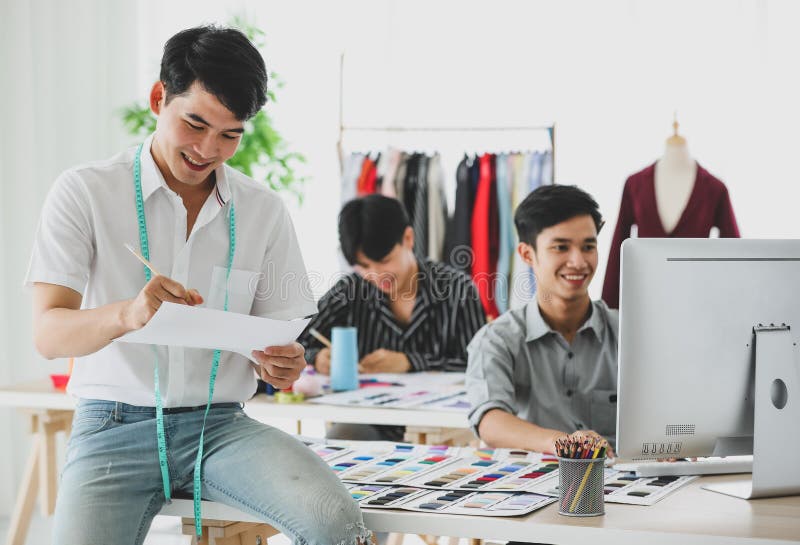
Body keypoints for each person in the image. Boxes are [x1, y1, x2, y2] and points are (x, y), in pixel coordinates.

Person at [27, 26, 370, 545]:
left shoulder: (264, 210)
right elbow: (48, 335)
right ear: (158, 98)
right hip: (112, 427)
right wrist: (127, 315)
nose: (209, 149)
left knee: (336, 522)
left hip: (220, 427)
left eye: (230, 134)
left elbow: (284, 340)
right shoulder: (85, 191)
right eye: (195, 123)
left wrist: (282, 364)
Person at [299, 194, 486, 441]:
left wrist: (411, 362)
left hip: (443, 428)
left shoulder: (458, 290)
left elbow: (479, 366)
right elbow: (297, 342)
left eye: (384, 261)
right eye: (364, 266)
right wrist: (318, 358)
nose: (376, 275)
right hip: (370, 422)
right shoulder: (349, 291)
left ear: (408, 238)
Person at [466, 184, 618, 457]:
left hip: (626, 485)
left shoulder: (630, 333)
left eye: (588, 246)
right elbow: (490, 420)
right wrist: (566, 444)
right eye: (561, 247)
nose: (578, 261)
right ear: (527, 254)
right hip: (537, 485)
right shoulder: (497, 339)